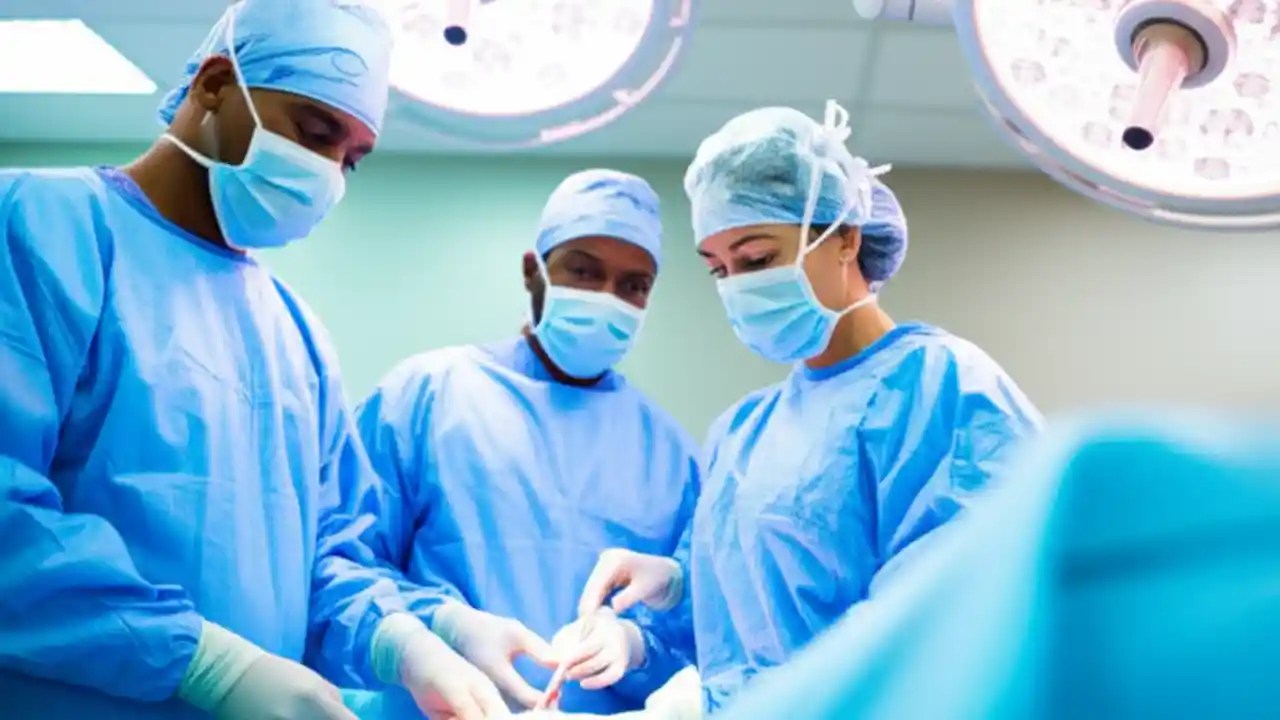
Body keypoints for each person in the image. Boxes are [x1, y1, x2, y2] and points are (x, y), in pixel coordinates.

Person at [0, 2, 504, 719]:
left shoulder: (296, 335)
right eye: (316, 132)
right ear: (213, 84)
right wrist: (205, 662)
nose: (328, 172)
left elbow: (326, 553)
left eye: (351, 159)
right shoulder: (39, 226)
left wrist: (400, 640)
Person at [576, 100, 1044, 713]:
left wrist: (729, 703)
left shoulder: (941, 387)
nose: (737, 285)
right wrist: (654, 619)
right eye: (718, 269)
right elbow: (730, 638)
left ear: (846, 238)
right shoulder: (743, 431)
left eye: (757, 259)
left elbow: (937, 621)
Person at [353, 169, 699, 714]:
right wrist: (444, 625)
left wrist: (635, 645)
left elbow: (692, 634)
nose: (608, 297)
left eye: (633, 285)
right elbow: (343, 570)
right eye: (583, 271)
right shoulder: (426, 397)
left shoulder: (671, 455)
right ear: (531, 271)